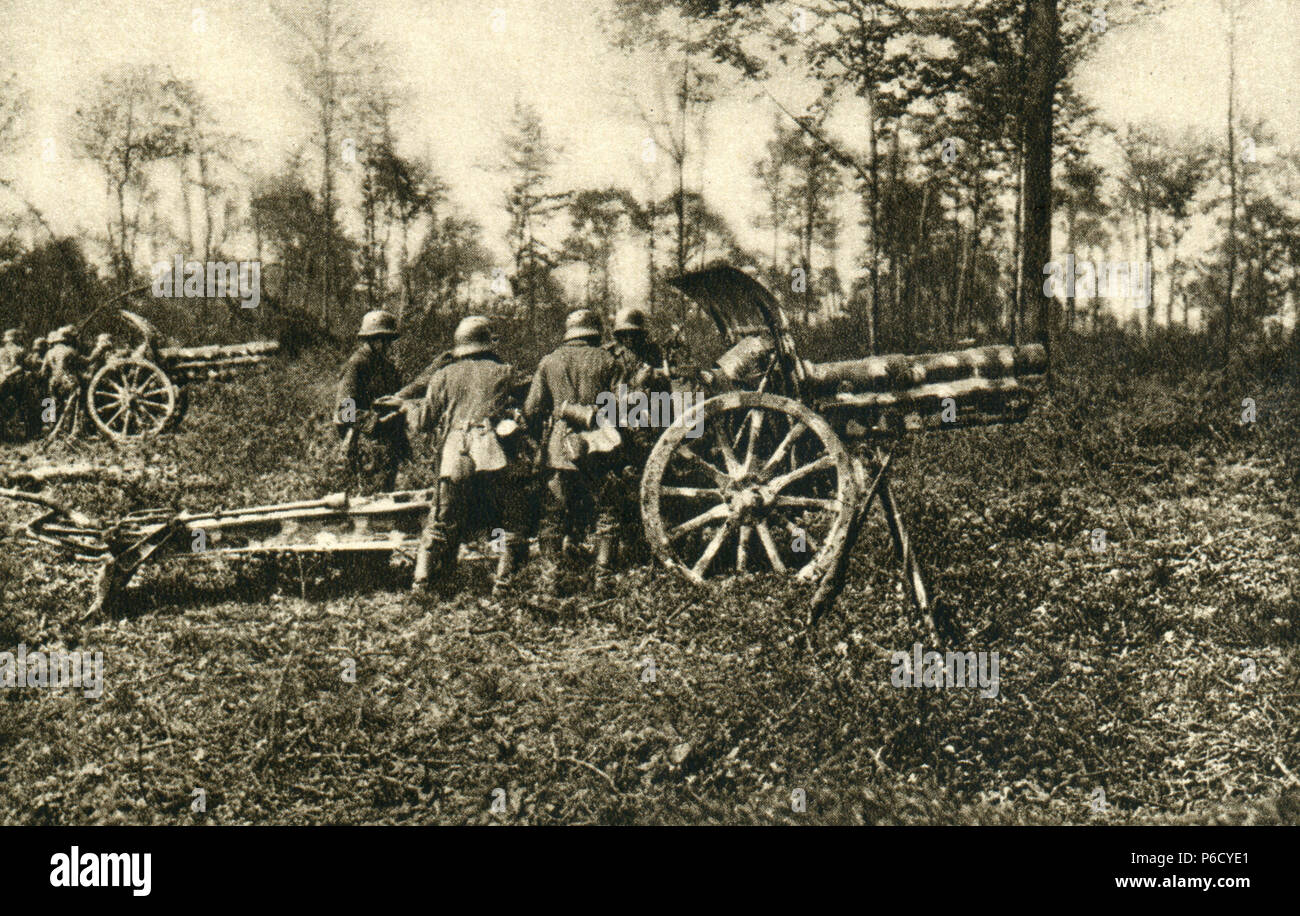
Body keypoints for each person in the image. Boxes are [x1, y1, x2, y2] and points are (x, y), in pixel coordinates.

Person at [412, 315, 533, 597]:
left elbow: (424, 422)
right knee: (508, 517)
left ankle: (423, 582)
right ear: (487, 343)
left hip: (455, 452)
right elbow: (530, 397)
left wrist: (412, 407)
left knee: (441, 518)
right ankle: (503, 582)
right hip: (491, 450)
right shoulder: (504, 371)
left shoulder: (442, 375)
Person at [524, 308, 625, 589]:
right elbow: (621, 409)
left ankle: (551, 578)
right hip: (598, 448)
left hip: (558, 450)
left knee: (553, 514)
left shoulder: (549, 362)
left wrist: (542, 438)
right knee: (606, 511)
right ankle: (604, 577)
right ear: (595, 332)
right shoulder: (609, 361)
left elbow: (531, 410)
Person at [603, 306, 673, 569]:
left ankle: (649, 543)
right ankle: (627, 546)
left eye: (634, 334)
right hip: (621, 422)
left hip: (650, 421)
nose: (630, 339)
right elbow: (608, 390)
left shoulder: (654, 353)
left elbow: (666, 388)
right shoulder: (610, 354)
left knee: (651, 479)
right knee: (623, 486)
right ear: (619, 335)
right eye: (625, 334)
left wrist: (654, 377)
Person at [335, 310, 407, 494]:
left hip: (389, 446)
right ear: (370, 339)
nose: (386, 345)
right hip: (365, 445)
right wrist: (374, 422)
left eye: (388, 340)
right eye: (381, 339)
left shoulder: (388, 368)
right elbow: (345, 412)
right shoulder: (357, 365)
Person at [42, 326, 87, 437]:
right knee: (71, 403)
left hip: (53, 381)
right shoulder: (70, 351)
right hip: (68, 380)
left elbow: (43, 371)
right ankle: (67, 428)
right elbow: (86, 362)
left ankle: (50, 427)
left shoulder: (49, 353)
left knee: (51, 402)